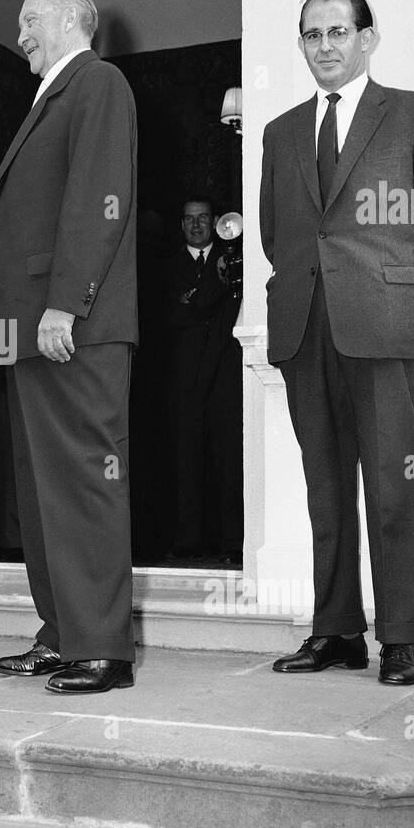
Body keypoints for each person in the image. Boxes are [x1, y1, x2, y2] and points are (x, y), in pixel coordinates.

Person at [0, 0, 138, 694]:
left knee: (84, 484)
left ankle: (102, 647)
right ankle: (63, 634)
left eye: (28, 20)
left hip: (69, 328)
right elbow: (20, 226)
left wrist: (66, 306)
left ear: (72, 18)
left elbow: (98, 202)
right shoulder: (51, 96)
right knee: (44, 494)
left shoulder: (97, 82)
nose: (18, 34)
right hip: (31, 332)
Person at [260, 0, 414, 685]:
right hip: (304, 325)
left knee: (393, 481)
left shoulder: (412, 113)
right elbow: (274, 232)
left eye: (338, 32)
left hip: (384, 324)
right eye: (312, 34)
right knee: (325, 486)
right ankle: (337, 630)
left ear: (366, 39)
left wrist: (408, 282)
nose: (324, 46)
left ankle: (400, 638)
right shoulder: (280, 131)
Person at [164, 196, 243, 564]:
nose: (196, 225)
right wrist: (207, 294)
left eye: (203, 218)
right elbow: (174, 314)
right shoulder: (169, 265)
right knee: (186, 458)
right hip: (184, 375)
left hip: (225, 373)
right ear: (182, 225)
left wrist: (196, 299)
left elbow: (210, 308)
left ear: (214, 223)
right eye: (189, 218)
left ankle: (231, 541)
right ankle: (188, 541)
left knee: (227, 458)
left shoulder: (235, 259)